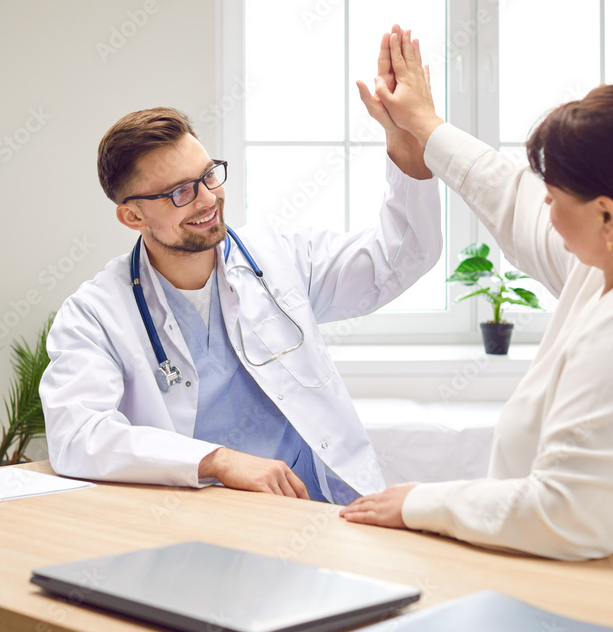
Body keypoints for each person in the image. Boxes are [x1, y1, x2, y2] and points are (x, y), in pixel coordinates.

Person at [341, 26, 613, 572]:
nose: (547, 209)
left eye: (556, 197)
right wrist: (426, 126)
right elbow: (512, 197)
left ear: (607, 215)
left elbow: (569, 515)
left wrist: (419, 501)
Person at [39, 61, 442, 503]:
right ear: (132, 216)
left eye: (208, 175)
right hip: (215, 517)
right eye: (180, 193)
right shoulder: (95, 314)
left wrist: (407, 142)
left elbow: (399, 259)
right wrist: (217, 459)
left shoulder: (280, 258)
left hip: (332, 504)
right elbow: (78, 435)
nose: (209, 199)